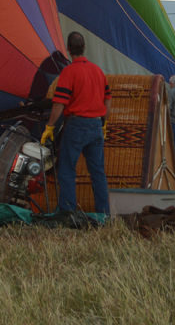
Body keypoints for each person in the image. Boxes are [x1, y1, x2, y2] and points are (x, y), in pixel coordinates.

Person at [42, 31, 111, 215]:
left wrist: (49, 126)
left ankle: (68, 212)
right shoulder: (98, 71)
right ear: (84, 48)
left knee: (66, 169)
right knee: (98, 173)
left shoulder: (69, 72)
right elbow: (108, 99)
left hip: (76, 125)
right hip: (96, 126)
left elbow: (59, 103)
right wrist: (104, 123)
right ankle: (103, 213)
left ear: (68, 49)